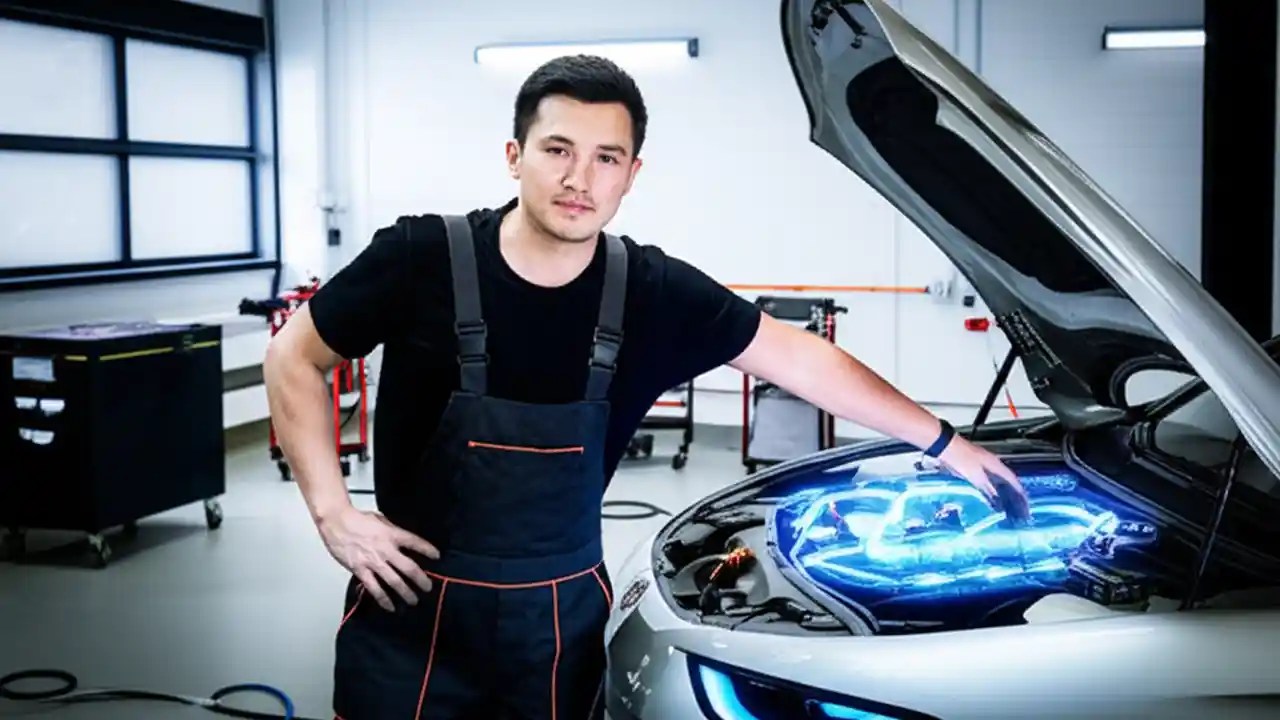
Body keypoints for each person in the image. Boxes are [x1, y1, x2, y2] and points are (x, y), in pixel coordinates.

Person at [263, 54, 1026, 720]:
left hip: (559, 627)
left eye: (606, 157)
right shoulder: (420, 257)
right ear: (514, 154)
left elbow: (801, 359)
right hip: (410, 609)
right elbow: (293, 357)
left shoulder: (650, 290)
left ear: (632, 172)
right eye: (557, 149)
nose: (578, 178)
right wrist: (331, 512)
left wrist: (946, 442)